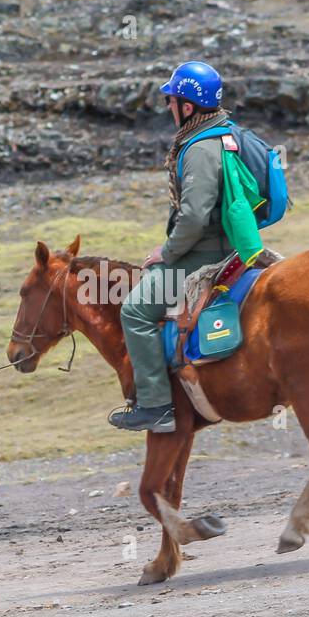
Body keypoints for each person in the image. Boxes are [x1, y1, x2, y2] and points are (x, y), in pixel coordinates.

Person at [110, 60, 236, 433]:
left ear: (188, 106)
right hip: (229, 242)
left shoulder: (199, 148)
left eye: (172, 99)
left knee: (134, 310)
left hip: (206, 251)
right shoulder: (226, 133)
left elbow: (195, 217)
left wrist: (166, 252)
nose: (167, 107)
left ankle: (157, 406)